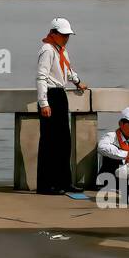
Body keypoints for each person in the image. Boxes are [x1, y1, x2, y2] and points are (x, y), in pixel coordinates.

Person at [35, 17, 90, 195]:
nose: (66, 38)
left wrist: (78, 82)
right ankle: (46, 185)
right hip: (50, 95)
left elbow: (68, 70)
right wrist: (43, 102)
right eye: (64, 35)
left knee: (63, 143)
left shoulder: (62, 51)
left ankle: (63, 182)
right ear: (54, 33)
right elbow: (41, 77)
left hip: (60, 95)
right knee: (49, 143)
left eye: (68, 35)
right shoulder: (47, 50)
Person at [97, 107, 129, 183]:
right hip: (109, 178)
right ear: (121, 124)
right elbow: (101, 147)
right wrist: (126, 154)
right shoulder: (111, 136)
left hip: (127, 178)